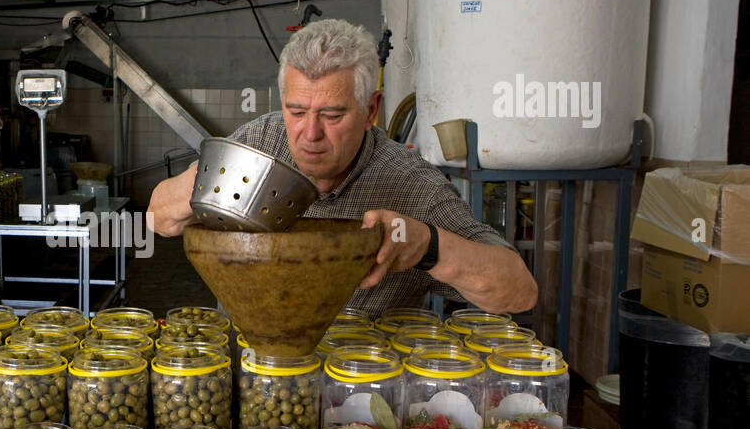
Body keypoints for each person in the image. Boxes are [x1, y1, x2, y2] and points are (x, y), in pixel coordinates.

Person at [149, 19, 538, 316]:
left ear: (370, 110)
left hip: (357, 384)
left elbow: (520, 293)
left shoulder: (413, 187)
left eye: (332, 115)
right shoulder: (257, 143)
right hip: (251, 368)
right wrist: (210, 183)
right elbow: (156, 218)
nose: (310, 133)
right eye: (296, 111)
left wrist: (428, 245)